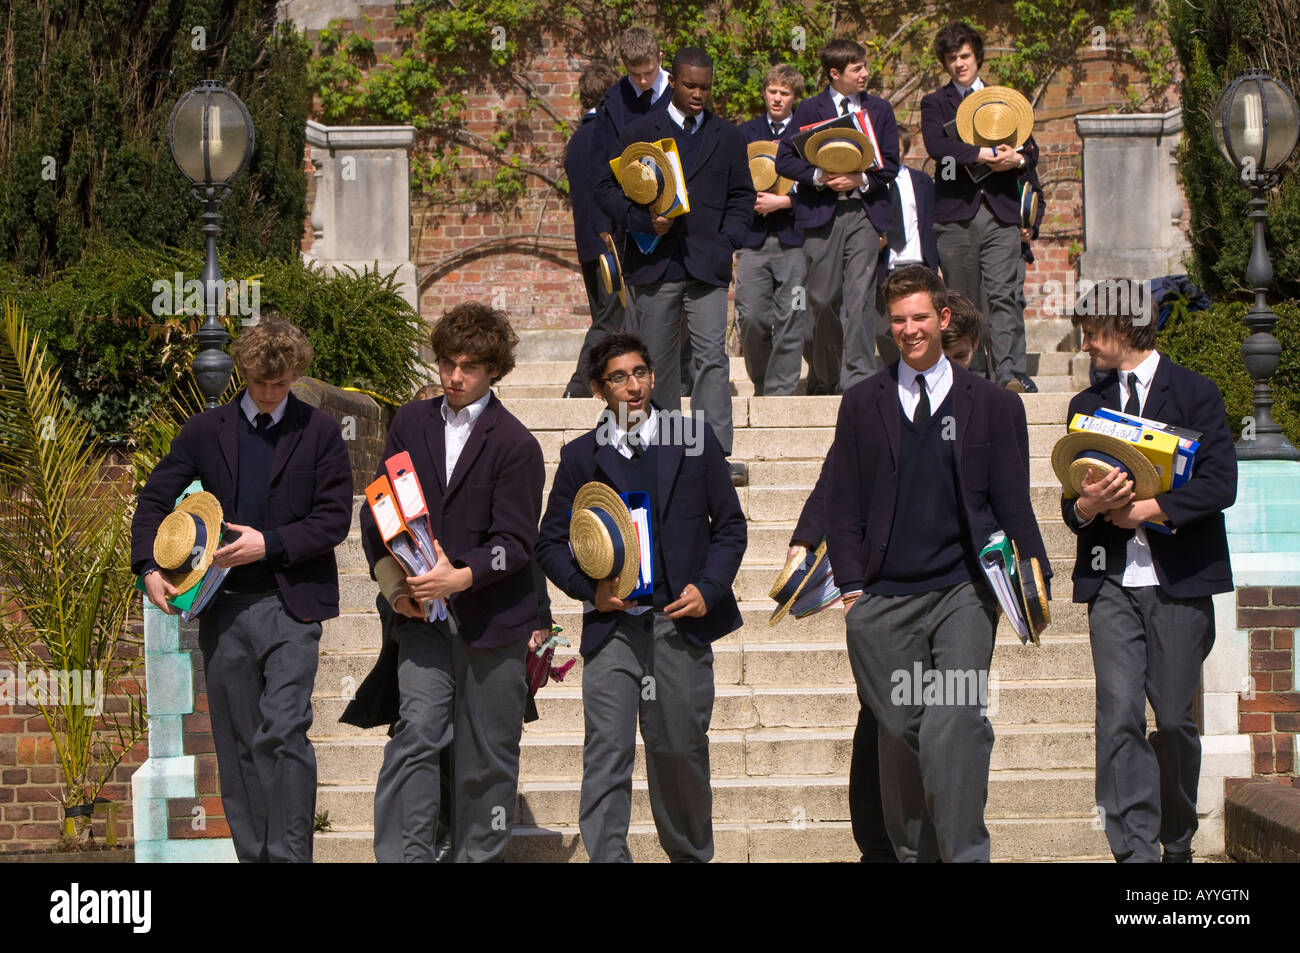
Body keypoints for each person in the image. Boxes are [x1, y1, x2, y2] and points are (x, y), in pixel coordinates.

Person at [825, 265, 1050, 862]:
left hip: (962, 593)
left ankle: (965, 853)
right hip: (884, 597)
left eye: (920, 317)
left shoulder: (995, 407)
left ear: (943, 318)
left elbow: (1013, 503)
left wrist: (1034, 573)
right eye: (898, 320)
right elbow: (840, 503)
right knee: (898, 732)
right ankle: (914, 854)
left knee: (954, 726)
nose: (909, 330)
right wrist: (851, 589)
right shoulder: (861, 404)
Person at [131, 318, 353, 863]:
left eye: (280, 385)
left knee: (283, 731)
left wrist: (270, 542)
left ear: (295, 377)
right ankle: (254, 857)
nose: (269, 394)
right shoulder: (206, 431)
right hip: (222, 609)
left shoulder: (320, 432)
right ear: (244, 373)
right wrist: (147, 567)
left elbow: (333, 521)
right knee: (238, 746)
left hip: (290, 604)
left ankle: (290, 856)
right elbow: (154, 499)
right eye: (259, 383)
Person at [536, 332, 747, 862]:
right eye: (618, 378)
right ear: (597, 388)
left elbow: (730, 528)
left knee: (679, 750)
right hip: (614, 629)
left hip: (681, 622)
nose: (632, 386)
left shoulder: (694, 438)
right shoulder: (581, 456)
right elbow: (548, 543)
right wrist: (592, 593)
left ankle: (691, 856)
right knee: (607, 749)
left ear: (653, 376)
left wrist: (709, 588)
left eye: (640, 373)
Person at [359, 302, 545, 863]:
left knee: (487, 756)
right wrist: (397, 589)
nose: (454, 377)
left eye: (467, 366)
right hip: (419, 618)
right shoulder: (409, 424)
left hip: (494, 621)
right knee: (416, 734)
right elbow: (380, 513)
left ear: (494, 369)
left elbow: (515, 544)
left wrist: (458, 577)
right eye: (445, 363)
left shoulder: (516, 443)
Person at [1063, 298, 1237, 863]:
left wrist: (1149, 510)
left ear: (1121, 326)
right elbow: (1072, 505)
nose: (1085, 344)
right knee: (1117, 716)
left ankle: (1177, 839)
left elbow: (1220, 485)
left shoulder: (1195, 392)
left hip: (1179, 583)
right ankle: (1133, 854)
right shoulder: (1085, 404)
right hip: (1110, 583)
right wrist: (1087, 505)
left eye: (1091, 332)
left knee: (1174, 719)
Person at [595, 46, 755, 486]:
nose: (698, 93)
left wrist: (727, 243)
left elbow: (742, 197)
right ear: (674, 81)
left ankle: (713, 456)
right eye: (689, 85)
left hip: (708, 267)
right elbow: (605, 190)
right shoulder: (640, 131)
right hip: (654, 263)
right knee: (654, 365)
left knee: (711, 359)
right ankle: (659, 453)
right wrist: (641, 219)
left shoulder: (729, 136)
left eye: (705, 86)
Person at [774, 38, 900, 395]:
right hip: (820, 215)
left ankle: (857, 381)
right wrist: (819, 177)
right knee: (823, 299)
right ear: (834, 73)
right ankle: (824, 376)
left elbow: (890, 163)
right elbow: (785, 160)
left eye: (864, 66)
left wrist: (861, 178)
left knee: (859, 297)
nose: (866, 73)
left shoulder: (881, 109)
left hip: (864, 211)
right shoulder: (810, 110)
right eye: (857, 68)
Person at [920, 20, 1040, 393]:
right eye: (952, 57)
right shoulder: (935, 103)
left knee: (1004, 294)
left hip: (1001, 213)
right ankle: (971, 377)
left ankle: (1009, 376)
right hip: (955, 215)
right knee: (963, 300)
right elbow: (939, 149)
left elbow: (1031, 151)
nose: (959, 63)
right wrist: (984, 154)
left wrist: (1015, 161)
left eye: (965, 55)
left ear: (977, 57)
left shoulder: (1004, 100)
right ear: (945, 62)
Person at [735, 64, 807, 397]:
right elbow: (732, 181)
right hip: (752, 239)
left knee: (793, 314)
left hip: (795, 239)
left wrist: (785, 203)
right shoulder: (745, 132)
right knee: (750, 316)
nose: (777, 98)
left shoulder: (806, 132)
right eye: (772, 91)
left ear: (794, 97)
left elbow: (818, 183)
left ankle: (782, 392)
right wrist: (750, 202)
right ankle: (763, 381)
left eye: (785, 93)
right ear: (764, 92)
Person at [563, 62, 623, 398]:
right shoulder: (606, 135)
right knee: (609, 317)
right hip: (609, 244)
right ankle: (578, 386)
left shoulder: (576, 140)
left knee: (608, 316)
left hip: (587, 245)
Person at [875, 128, 940, 366]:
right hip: (886, 265)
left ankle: (919, 367)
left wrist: (936, 264)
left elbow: (931, 222)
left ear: (904, 150)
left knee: (920, 324)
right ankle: (897, 371)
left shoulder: (921, 181)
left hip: (917, 263)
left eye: (897, 149)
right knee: (884, 328)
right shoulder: (872, 184)